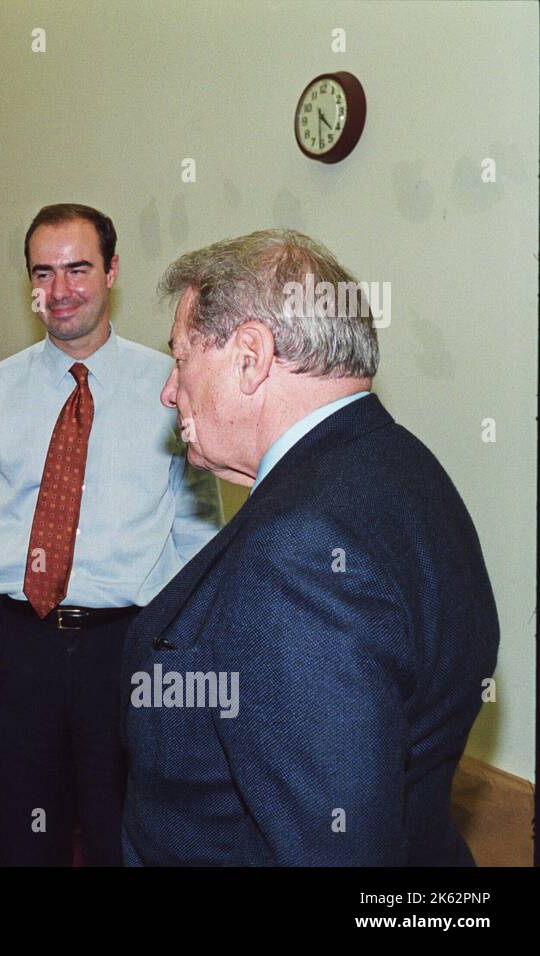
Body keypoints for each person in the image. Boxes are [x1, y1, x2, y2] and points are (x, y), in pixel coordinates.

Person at [122, 229, 500, 865]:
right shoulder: (408, 469)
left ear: (250, 355)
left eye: (180, 357)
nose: (169, 389)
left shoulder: (297, 552)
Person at [0, 203, 222, 866]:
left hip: (122, 653)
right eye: (44, 273)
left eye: (78, 269)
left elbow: (198, 524)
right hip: (10, 649)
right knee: (16, 842)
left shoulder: (170, 384)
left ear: (113, 271)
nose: (60, 291)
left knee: (122, 841)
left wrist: (166, 641)